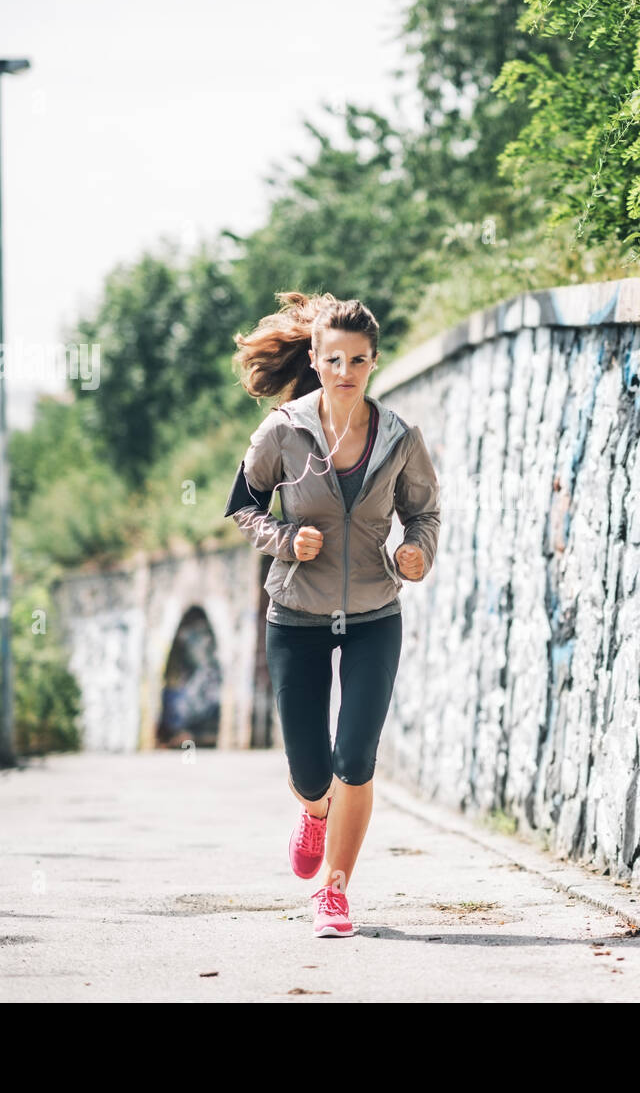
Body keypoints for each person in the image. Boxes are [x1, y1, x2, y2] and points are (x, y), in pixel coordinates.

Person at [224, 292, 441, 938]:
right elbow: (243, 505)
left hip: (375, 609)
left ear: (373, 363)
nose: (346, 370)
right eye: (334, 358)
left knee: (357, 756)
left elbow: (424, 514)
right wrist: (285, 540)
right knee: (312, 769)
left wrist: (416, 553)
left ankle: (335, 891)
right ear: (315, 359)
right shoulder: (282, 431)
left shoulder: (401, 438)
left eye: (359, 360)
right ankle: (314, 809)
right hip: (296, 612)